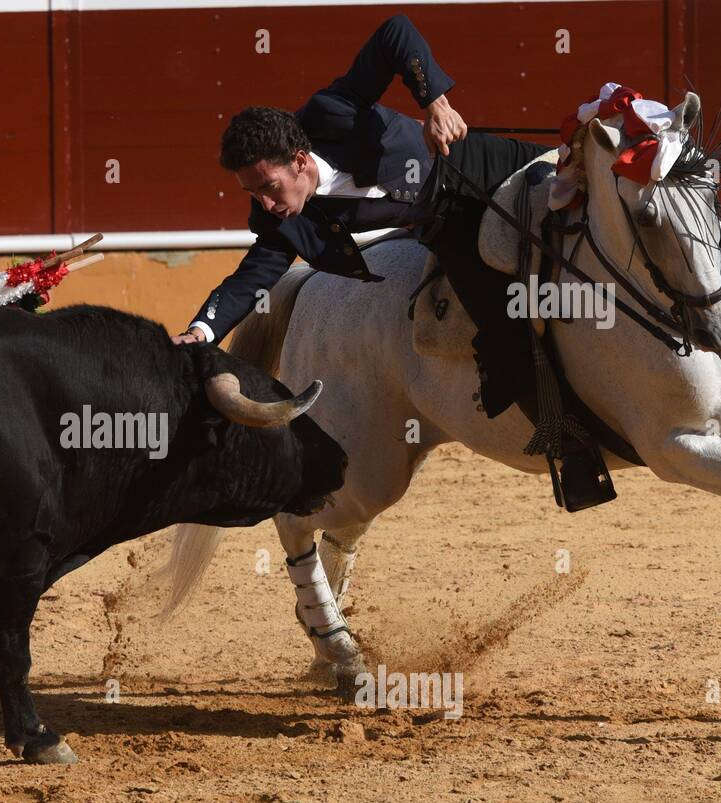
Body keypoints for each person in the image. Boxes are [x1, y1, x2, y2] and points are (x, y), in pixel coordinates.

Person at [173, 14, 609, 508]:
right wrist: (201, 331)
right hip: (448, 225)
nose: (266, 204)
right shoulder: (280, 216)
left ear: (299, 160)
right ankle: (573, 452)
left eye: (269, 187)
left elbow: (395, 33)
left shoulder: (329, 112)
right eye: (253, 193)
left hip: (479, 164)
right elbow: (252, 277)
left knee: (597, 200)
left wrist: (436, 104)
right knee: (500, 326)